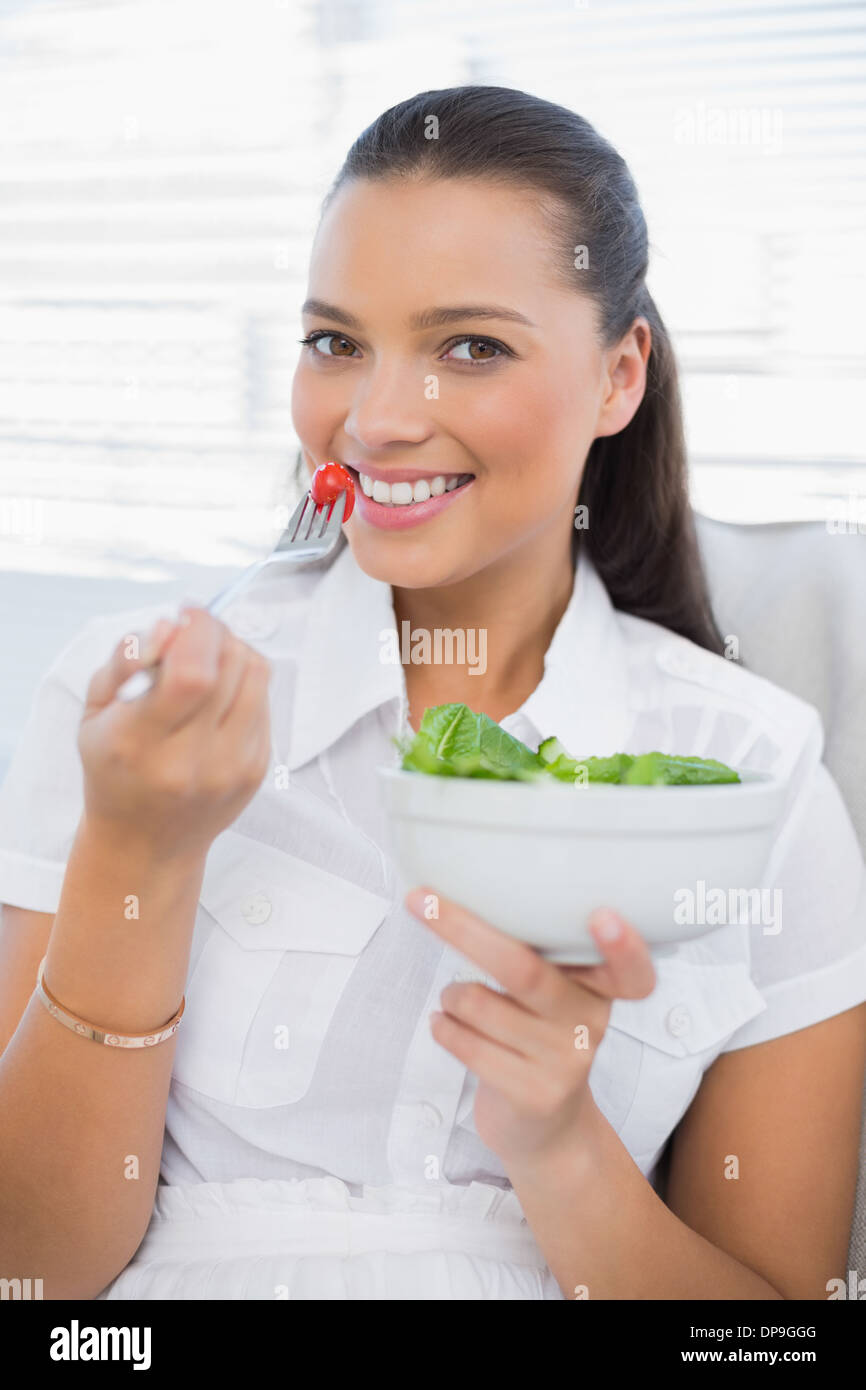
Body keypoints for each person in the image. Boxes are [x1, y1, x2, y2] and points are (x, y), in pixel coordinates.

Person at [1, 85, 864, 1301]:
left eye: (471, 346)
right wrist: (134, 857)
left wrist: (561, 1147)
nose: (372, 419)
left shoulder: (757, 787)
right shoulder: (125, 717)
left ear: (618, 377)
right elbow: (32, 1279)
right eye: (334, 341)